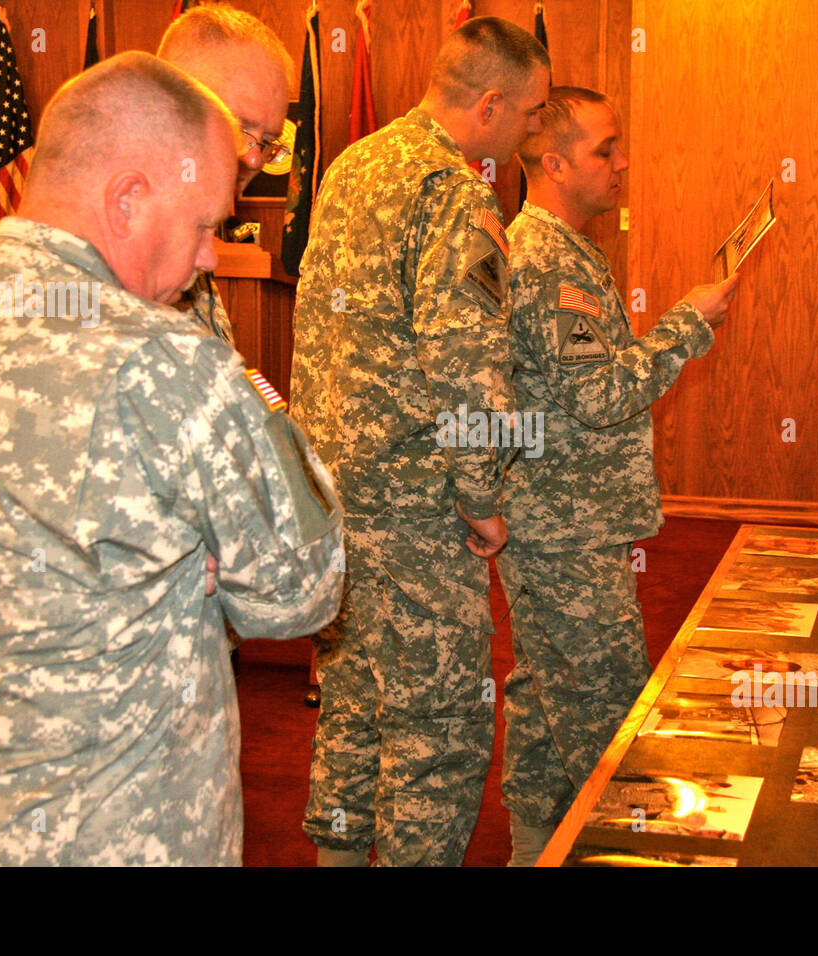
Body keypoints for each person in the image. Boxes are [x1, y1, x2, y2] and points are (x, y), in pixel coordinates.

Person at [0, 52, 343, 866]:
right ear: (129, 199)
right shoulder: (175, 368)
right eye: (206, 226)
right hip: (107, 840)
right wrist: (194, 559)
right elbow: (302, 590)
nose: (211, 257)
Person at [292, 16, 550, 866]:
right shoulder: (454, 192)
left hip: (332, 502)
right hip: (415, 515)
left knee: (353, 709)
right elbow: (469, 366)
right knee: (437, 732)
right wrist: (484, 503)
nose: (534, 131)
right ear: (489, 103)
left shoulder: (351, 165)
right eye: (532, 112)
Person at [498, 86, 741, 866]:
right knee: (608, 715)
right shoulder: (542, 258)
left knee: (543, 707)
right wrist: (687, 322)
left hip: (558, 525)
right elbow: (599, 394)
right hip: (565, 532)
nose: (622, 161)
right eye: (606, 148)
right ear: (555, 162)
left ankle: (536, 849)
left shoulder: (565, 251)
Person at [158, 2, 295, 348]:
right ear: (169, 102)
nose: (253, 158)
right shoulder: (116, 256)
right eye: (238, 127)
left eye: (267, 142)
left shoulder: (192, 249)